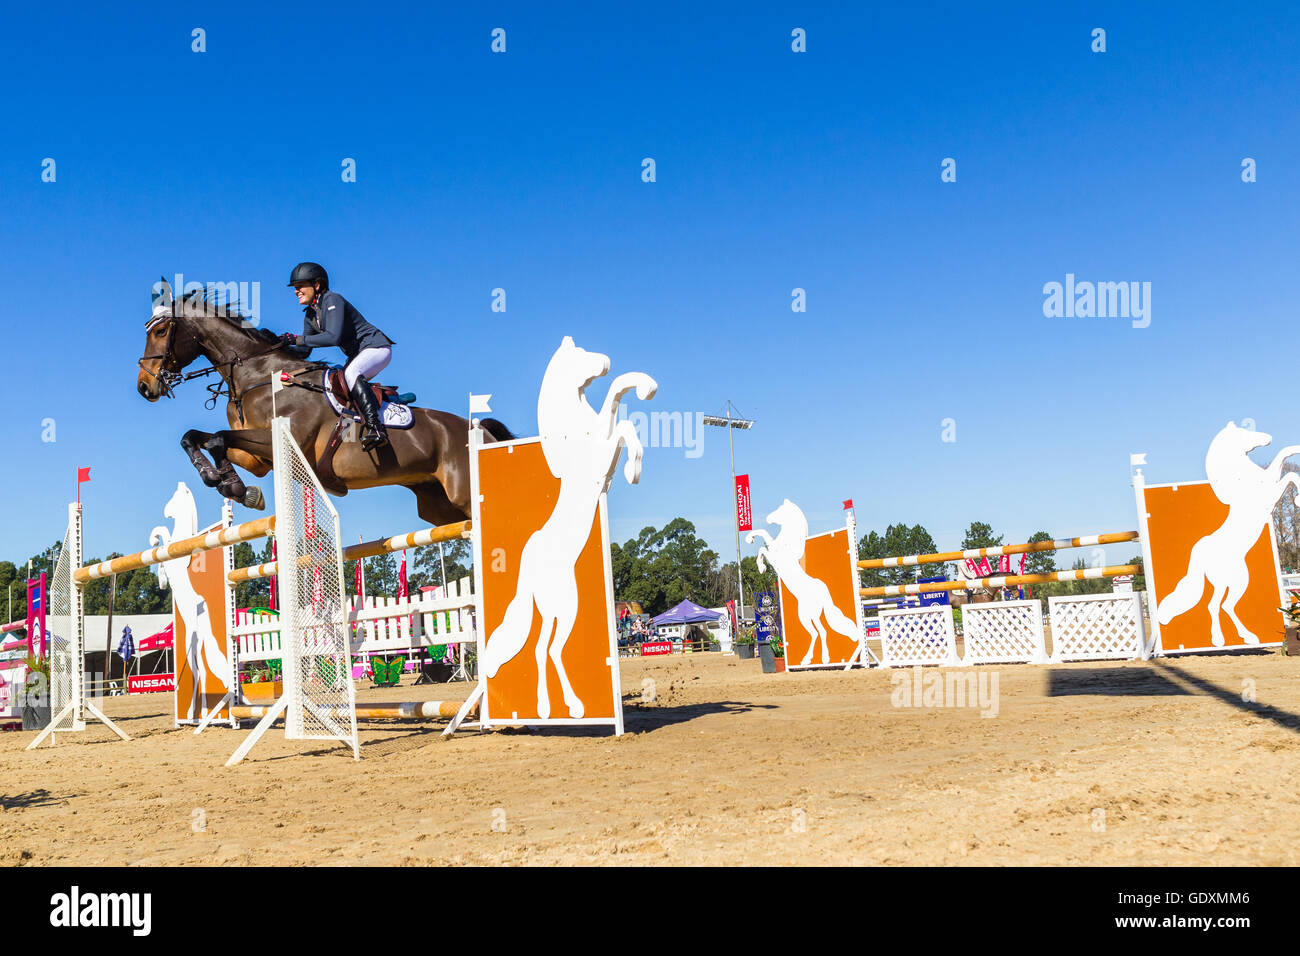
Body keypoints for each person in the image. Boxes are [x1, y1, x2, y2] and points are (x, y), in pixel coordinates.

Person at [282, 262, 395, 450]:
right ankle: (348, 440)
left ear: (317, 285)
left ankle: (376, 428)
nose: (296, 290)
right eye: (295, 287)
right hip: (357, 354)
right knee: (339, 387)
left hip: (376, 348)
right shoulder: (310, 315)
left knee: (351, 375)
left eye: (300, 286)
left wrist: (296, 339)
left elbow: (332, 337)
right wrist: (281, 347)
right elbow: (304, 350)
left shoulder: (333, 300)